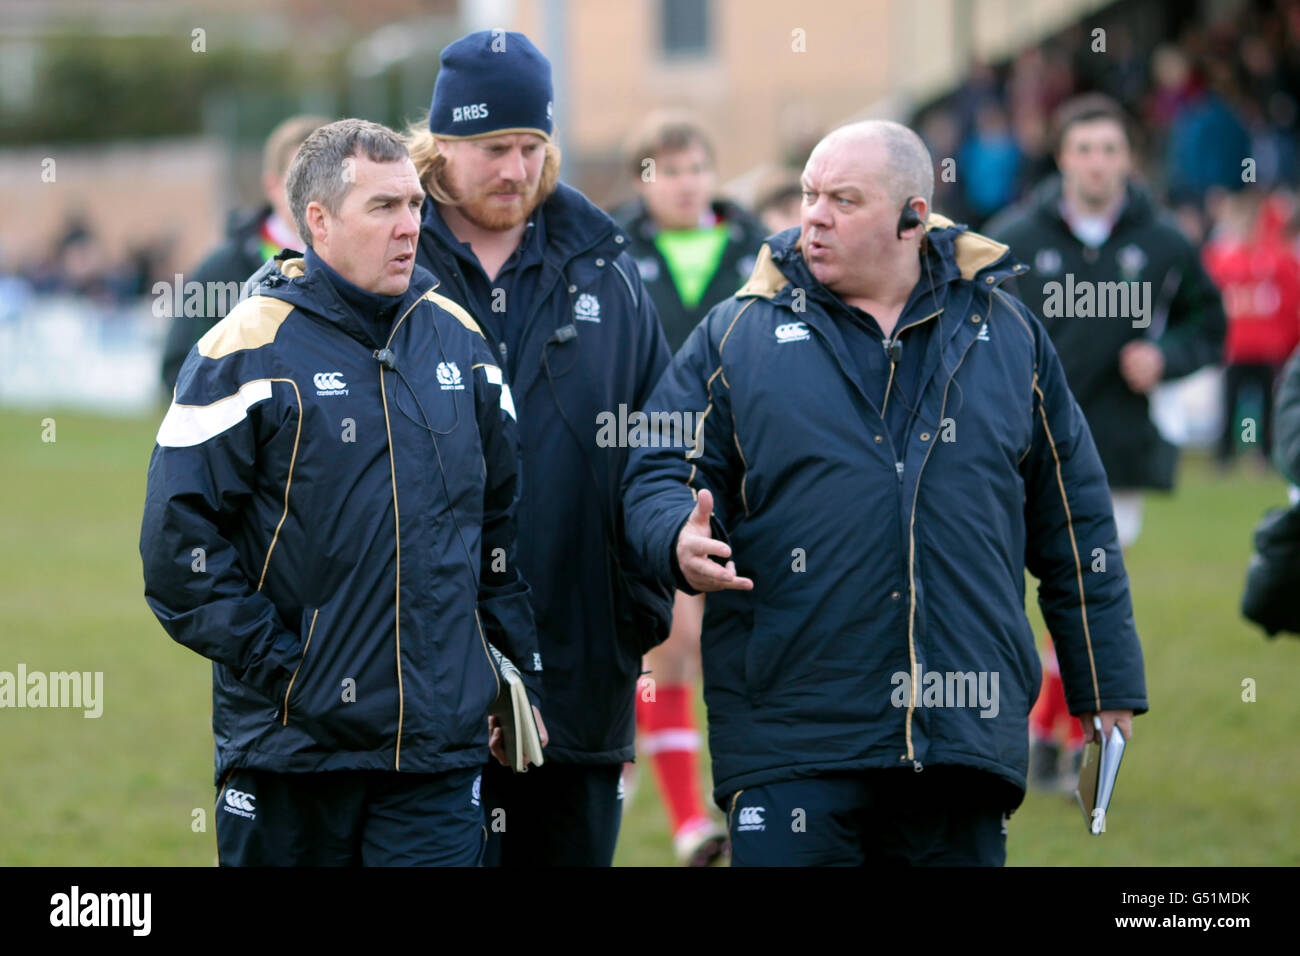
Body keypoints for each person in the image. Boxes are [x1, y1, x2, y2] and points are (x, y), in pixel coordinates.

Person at [622, 120, 1148, 867]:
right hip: (790, 739)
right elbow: (657, 462)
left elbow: (1075, 520)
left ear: (911, 218)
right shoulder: (736, 333)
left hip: (959, 740)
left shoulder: (1009, 336)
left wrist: (1105, 678)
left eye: (842, 198)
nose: (813, 216)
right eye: (808, 195)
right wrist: (674, 531)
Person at [140, 118, 541, 866]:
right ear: (318, 221)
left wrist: (509, 671)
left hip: (435, 759)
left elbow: (500, 532)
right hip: (291, 754)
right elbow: (177, 550)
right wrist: (289, 672)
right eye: (383, 207)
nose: (410, 227)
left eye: (416, 205)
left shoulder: (460, 340)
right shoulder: (242, 348)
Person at [409, 30, 673, 867]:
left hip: (579, 671)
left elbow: (658, 443)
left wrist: (635, 611)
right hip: (420, 680)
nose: (517, 171)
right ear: (441, 143)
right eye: (494, 148)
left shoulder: (607, 270)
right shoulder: (390, 256)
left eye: (532, 147)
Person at [984, 93, 1223, 788]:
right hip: (1018, 447)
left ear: (1130, 158)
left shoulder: (1165, 241)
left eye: (1111, 149)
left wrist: (1167, 358)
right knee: (1006, 594)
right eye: (1084, 148)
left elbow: (1207, 323)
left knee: (1086, 589)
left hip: (1113, 449)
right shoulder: (1015, 239)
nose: (1097, 162)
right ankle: (1030, 733)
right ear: (1062, 157)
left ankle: (1047, 737)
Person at [612, 110, 767, 865]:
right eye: (666, 170)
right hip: (655, 471)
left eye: (694, 167)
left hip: (752, 472)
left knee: (738, 647)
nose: (683, 182)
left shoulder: (756, 250)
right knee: (673, 645)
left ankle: (759, 802)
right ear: (644, 181)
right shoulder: (612, 253)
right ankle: (689, 824)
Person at [160, 114, 329, 393]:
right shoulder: (221, 268)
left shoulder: (361, 268)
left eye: (326, 177)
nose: (315, 191)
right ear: (272, 187)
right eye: (300, 178)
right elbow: (178, 369)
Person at [1203, 190, 1300, 469]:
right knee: (1230, 402)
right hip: (1236, 346)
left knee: (1270, 404)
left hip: (1266, 347)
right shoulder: (1222, 260)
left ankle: (1267, 454)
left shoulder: (1276, 259)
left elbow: (1290, 301)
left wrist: (1284, 339)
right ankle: (1225, 455)